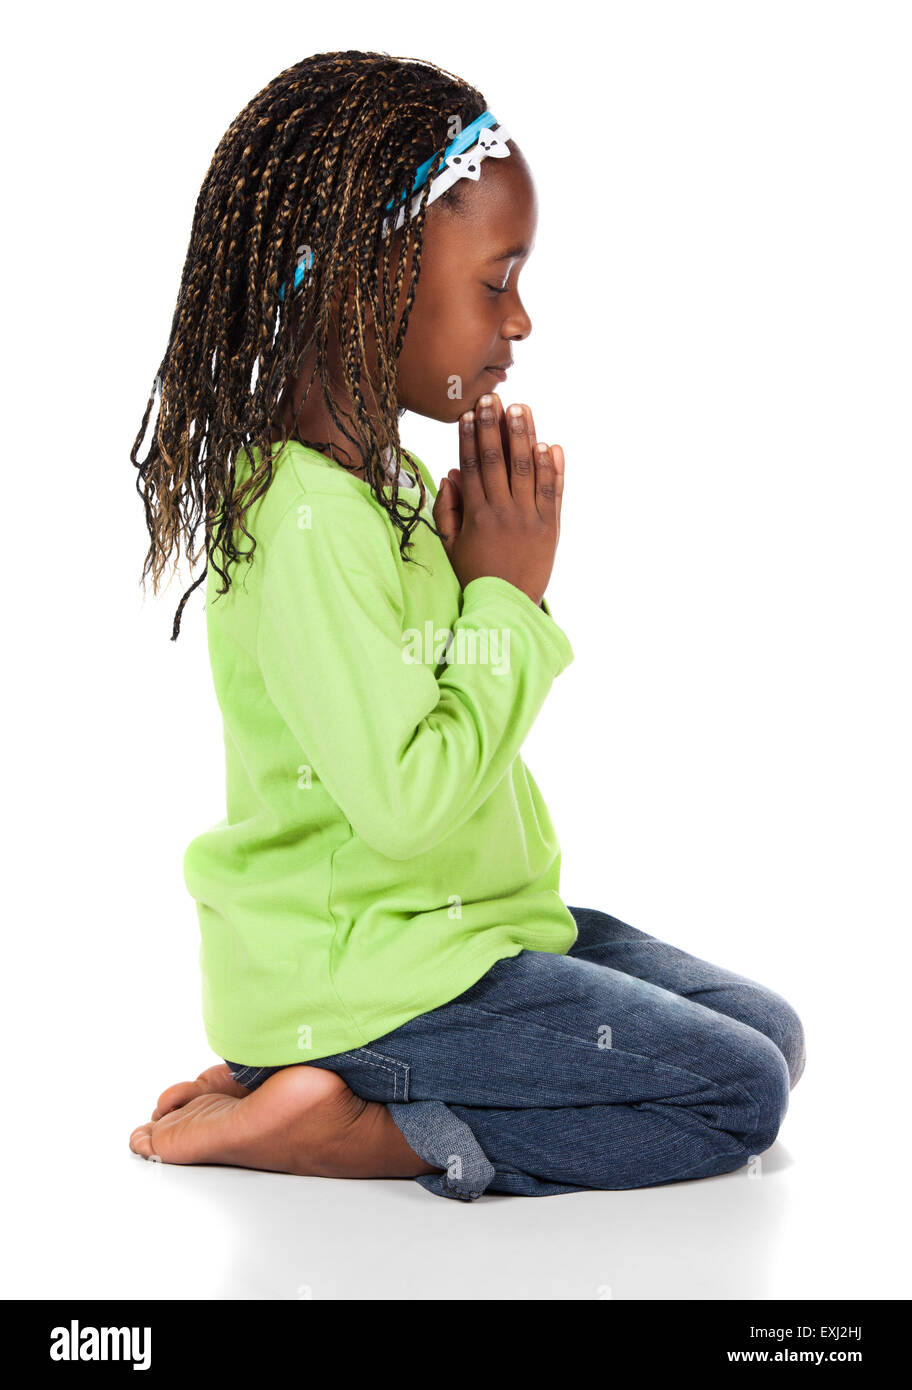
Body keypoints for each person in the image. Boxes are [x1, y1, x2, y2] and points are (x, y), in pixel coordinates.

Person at [129, 51, 805, 1201]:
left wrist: (466, 575)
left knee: (769, 1031)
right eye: (498, 279)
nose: (522, 318)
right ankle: (353, 1128)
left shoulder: (380, 488)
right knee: (736, 1094)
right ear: (369, 277)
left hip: (458, 937)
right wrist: (510, 598)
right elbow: (406, 804)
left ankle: (309, 1073)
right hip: (374, 968)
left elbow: (421, 710)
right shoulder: (304, 523)